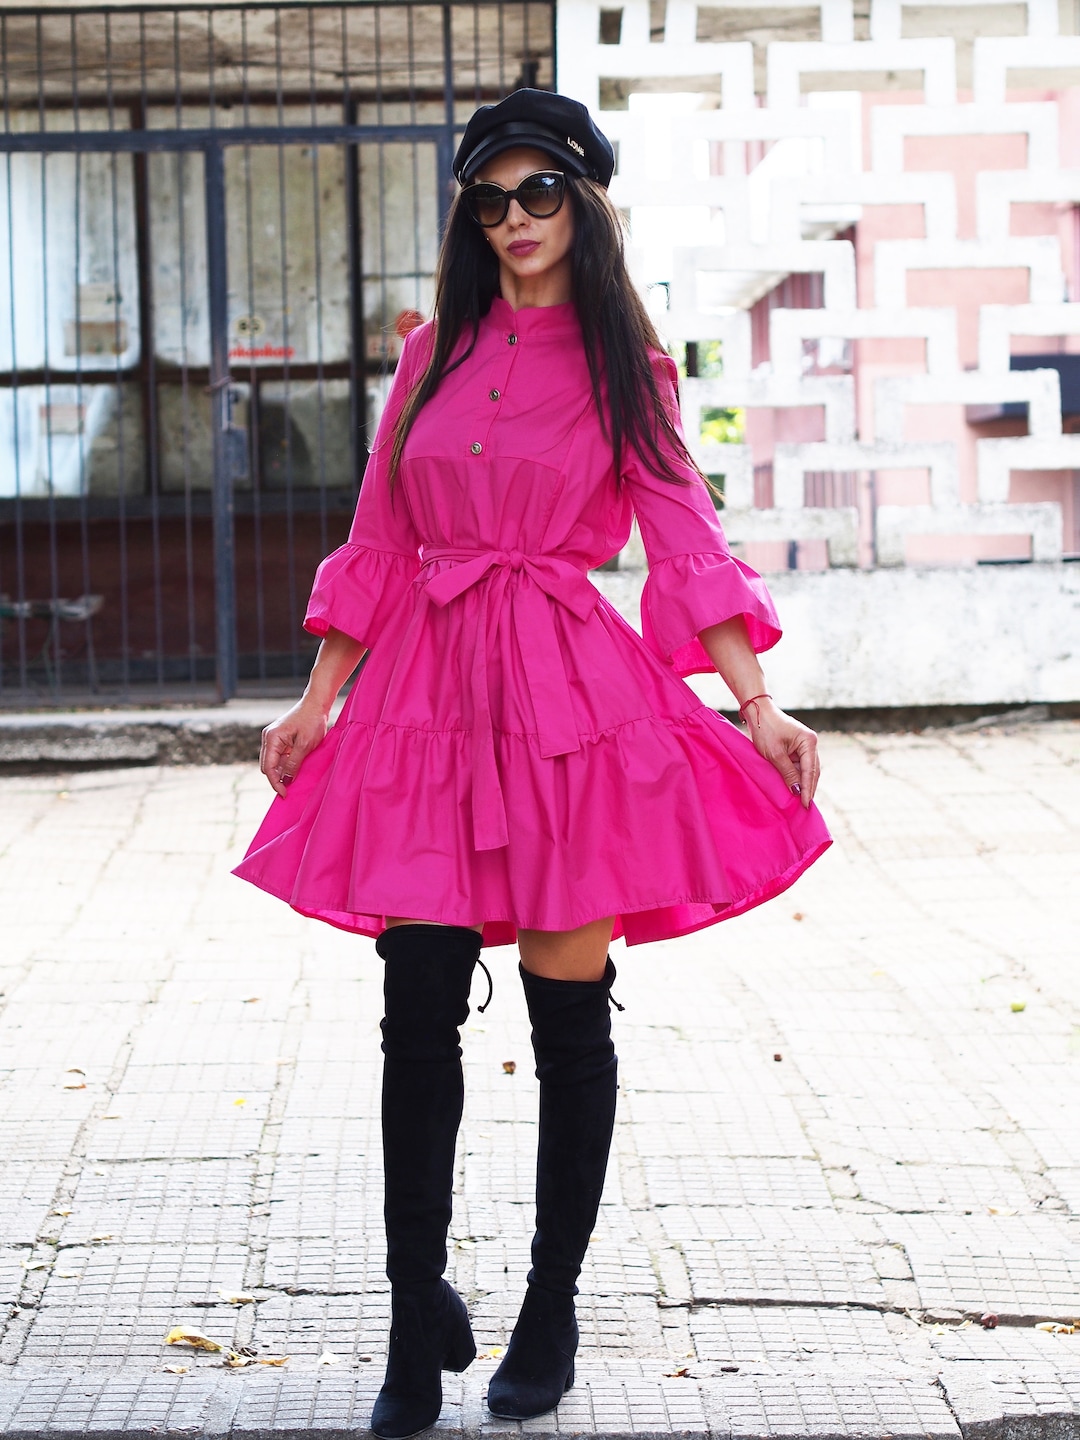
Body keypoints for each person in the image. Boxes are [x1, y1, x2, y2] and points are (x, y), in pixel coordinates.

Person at [235, 89, 830, 1440]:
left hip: (571, 693)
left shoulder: (632, 365)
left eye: (539, 194)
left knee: (570, 1003)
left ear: (584, 201)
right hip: (430, 692)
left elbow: (684, 538)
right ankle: (410, 1309)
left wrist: (756, 704)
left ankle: (551, 1301)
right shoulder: (432, 354)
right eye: (490, 199)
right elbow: (381, 535)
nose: (513, 220)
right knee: (416, 982)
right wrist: (318, 701)